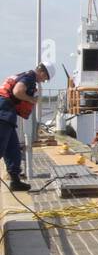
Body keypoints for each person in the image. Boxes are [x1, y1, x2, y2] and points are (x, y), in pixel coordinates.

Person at [0, 63, 50, 191]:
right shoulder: (29, 77)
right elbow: (17, 91)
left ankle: (15, 181)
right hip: (3, 112)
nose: (43, 81)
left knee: (13, 149)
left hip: (7, 112)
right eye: (45, 78)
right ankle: (15, 179)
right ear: (42, 73)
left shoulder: (24, 75)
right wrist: (31, 99)